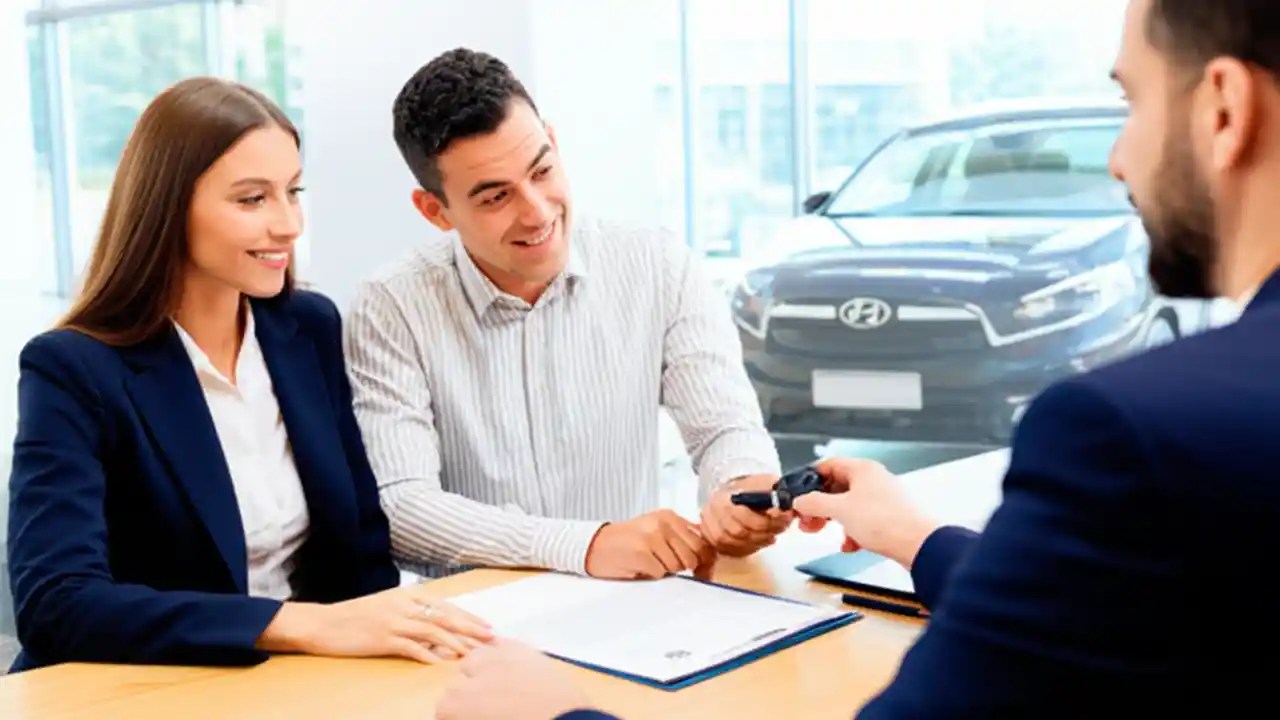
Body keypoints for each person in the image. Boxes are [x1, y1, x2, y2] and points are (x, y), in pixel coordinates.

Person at [433, 0, 1280, 716]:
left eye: (1133, 103)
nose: (1118, 158)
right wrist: (914, 538)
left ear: (1223, 109)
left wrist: (555, 712)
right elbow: (1112, 604)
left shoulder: (1124, 434)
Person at [6, 77, 492, 673]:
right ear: (168, 207)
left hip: (298, 682)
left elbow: (360, 550)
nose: (289, 224)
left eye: (293, 191)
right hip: (150, 688)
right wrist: (300, 625)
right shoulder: (72, 368)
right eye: (252, 199)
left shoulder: (307, 329)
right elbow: (57, 603)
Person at [345, 48, 787, 581]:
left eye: (542, 170)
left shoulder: (656, 264)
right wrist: (585, 545)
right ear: (435, 211)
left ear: (553, 141)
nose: (536, 211)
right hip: (479, 624)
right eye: (494, 198)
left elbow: (724, 429)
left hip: (635, 606)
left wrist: (737, 492)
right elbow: (401, 506)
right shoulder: (391, 305)